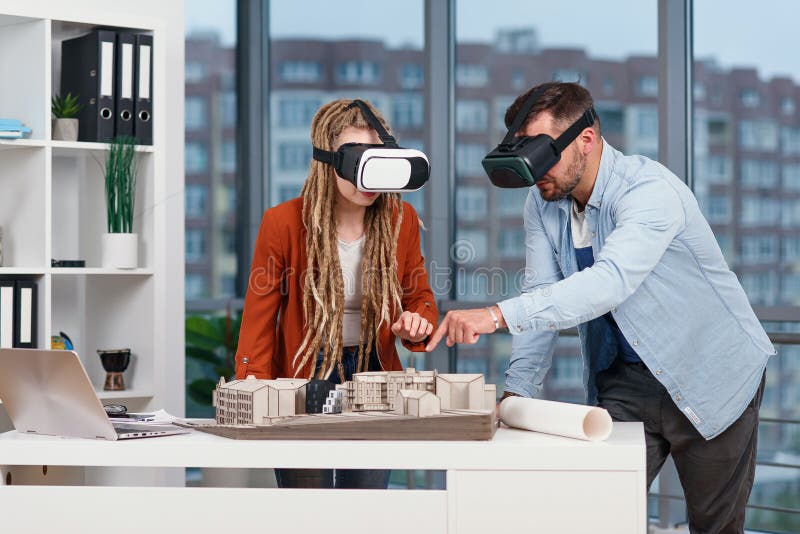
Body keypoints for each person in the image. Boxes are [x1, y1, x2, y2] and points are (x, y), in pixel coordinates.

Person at [426, 82, 774, 532]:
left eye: (543, 154)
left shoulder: (649, 191)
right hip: (626, 381)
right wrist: (517, 392)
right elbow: (541, 291)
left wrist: (494, 315)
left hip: (712, 373)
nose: (535, 173)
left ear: (585, 140)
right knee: (598, 516)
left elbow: (609, 283)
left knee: (714, 526)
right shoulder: (543, 203)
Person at [235, 98, 438, 489]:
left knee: (365, 501)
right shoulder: (283, 222)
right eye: (357, 161)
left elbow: (420, 297)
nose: (368, 178)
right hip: (306, 370)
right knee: (307, 503)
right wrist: (252, 389)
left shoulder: (401, 219)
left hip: (374, 375)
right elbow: (259, 318)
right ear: (327, 162)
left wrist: (418, 323)